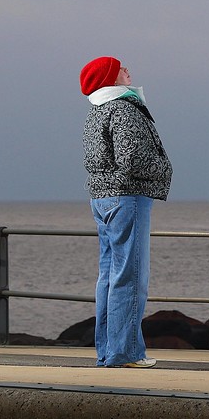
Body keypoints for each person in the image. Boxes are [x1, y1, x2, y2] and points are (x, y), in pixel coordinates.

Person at [79, 55, 173, 368]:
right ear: (110, 77)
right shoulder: (124, 108)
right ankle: (127, 353)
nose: (128, 70)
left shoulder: (98, 110)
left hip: (102, 199)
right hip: (127, 198)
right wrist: (165, 167)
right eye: (121, 68)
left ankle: (108, 351)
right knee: (130, 277)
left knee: (109, 276)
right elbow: (132, 159)